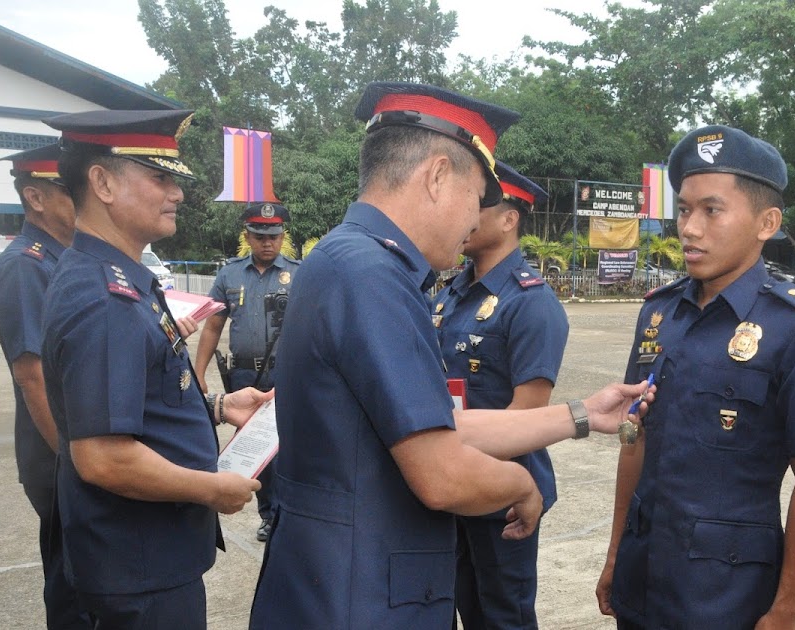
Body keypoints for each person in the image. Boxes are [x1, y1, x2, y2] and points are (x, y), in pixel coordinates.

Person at [249, 83, 652, 629]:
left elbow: (438, 426)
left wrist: (582, 414)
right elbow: (441, 473)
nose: (472, 220)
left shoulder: (345, 257)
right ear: (437, 176)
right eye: (475, 197)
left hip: (337, 581)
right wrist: (522, 485)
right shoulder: (374, 276)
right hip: (361, 595)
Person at [597, 125, 795, 629]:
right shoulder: (659, 313)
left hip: (727, 596)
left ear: (767, 223)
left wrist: (787, 608)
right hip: (642, 578)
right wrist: (614, 555)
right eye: (684, 210)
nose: (689, 229)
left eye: (712, 211)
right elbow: (634, 436)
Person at [39, 109, 272, 628]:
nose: (178, 194)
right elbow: (103, 457)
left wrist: (217, 405)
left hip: (144, 555)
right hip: (138, 566)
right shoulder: (105, 298)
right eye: (159, 178)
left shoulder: (118, 279)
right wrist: (211, 488)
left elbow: (139, 397)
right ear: (102, 183)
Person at [433, 161, 568, 629]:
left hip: (501, 495)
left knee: (502, 617)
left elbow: (526, 416)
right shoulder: (448, 295)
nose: (465, 214)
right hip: (451, 481)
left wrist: (458, 469)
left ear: (510, 218)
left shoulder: (530, 303)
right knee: (455, 606)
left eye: (478, 205)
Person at [0, 144, 90, 629]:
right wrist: (73, 462)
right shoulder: (26, 265)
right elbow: (30, 373)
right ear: (34, 197)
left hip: (76, 449)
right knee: (73, 582)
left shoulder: (65, 257)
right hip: (57, 456)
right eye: (69, 188)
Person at [194, 201, 300, 542]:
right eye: (260, 236)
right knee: (258, 450)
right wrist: (198, 373)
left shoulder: (299, 273)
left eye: (273, 236)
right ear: (248, 237)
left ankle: (289, 514)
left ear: (282, 236)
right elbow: (212, 326)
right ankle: (269, 514)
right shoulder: (229, 275)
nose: (267, 243)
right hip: (245, 378)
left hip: (286, 376)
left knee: (291, 447)